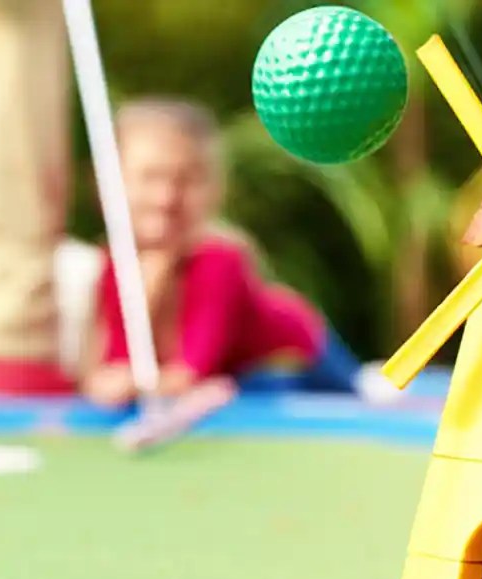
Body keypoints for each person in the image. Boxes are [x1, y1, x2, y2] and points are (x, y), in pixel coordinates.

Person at [82, 98, 392, 408]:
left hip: (293, 357)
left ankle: (366, 379)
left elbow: (194, 369)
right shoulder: (115, 265)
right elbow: (120, 360)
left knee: (345, 394)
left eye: (187, 179)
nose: (166, 197)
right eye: (150, 177)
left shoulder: (220, 262)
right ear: (106, 184)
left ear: (214, 188)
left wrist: (137, 383)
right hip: (229, 374)